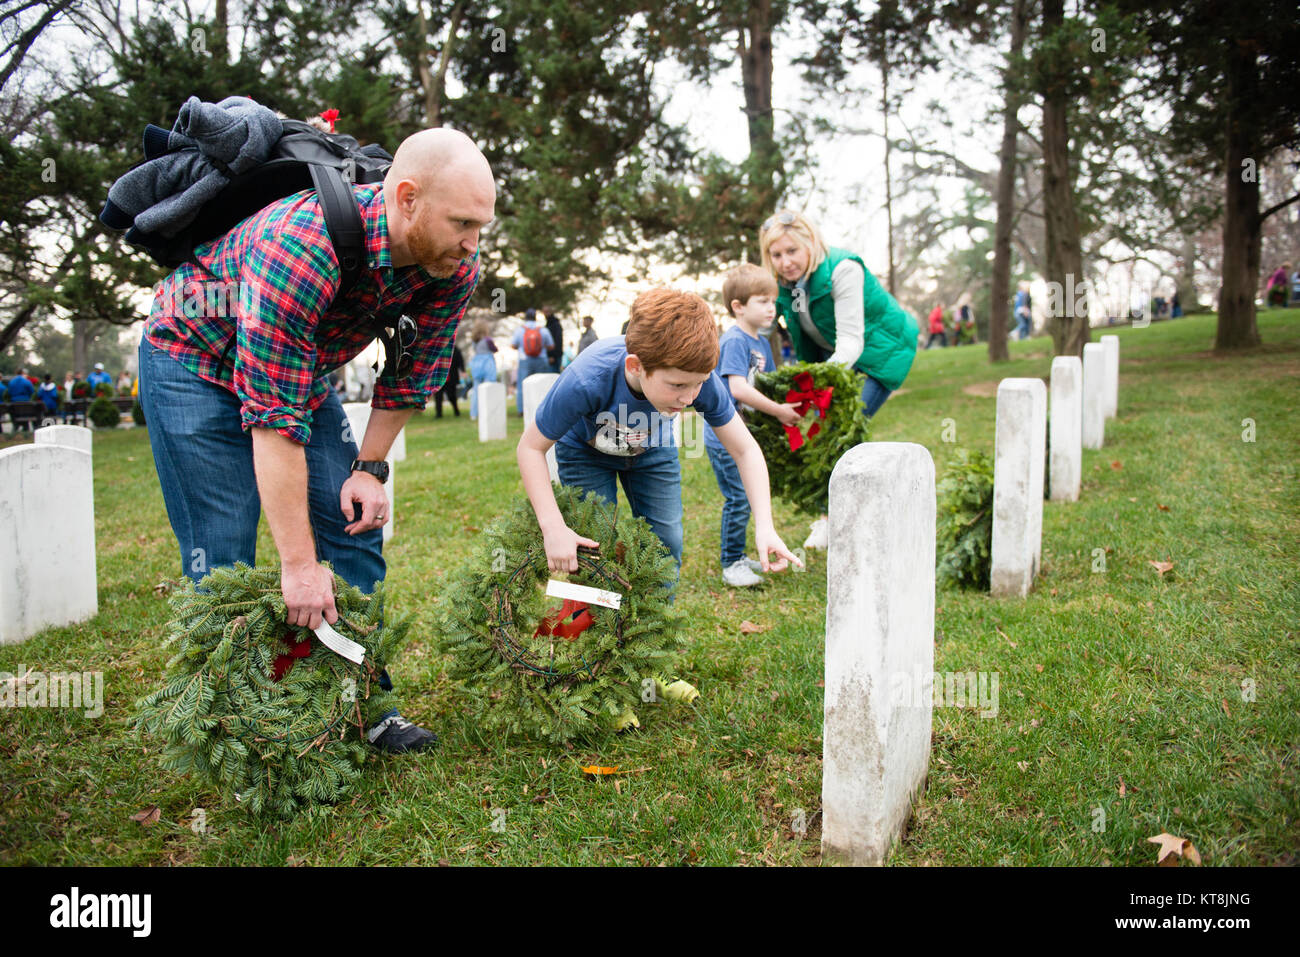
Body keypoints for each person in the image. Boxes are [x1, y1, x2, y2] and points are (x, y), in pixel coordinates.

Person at [137, 127, 494, 753]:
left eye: (481, 226)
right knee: (223, 547)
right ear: (406, 199)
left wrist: (370, 470)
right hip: (191, 359)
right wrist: (298, 567)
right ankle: (242, 729)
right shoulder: (301, 245)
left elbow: (412, 374)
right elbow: (275, 421)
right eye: (462, 222)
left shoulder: (452, 266)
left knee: (350, 520)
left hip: (297, 368)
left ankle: (364, 703)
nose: (473, 244)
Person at [517, 287, 800, 594]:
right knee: (594, 542)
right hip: (586, 453)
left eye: (699, 384)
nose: (690, 397)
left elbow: (745, 450)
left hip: (652, 450)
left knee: (667, 540)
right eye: (677, 385)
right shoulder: (587, 378)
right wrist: (553, 526)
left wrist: (766, 526)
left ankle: (654, 629)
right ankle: (598, 630)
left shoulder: (696, 378)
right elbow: (531, 447)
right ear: (635, 367)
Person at [759, 208, 918, 549]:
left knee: (838, 429)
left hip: (880, 351)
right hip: (837, 357)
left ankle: (835, 519)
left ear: (811, 244)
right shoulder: (783, 284)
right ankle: (841, 511)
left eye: (792, 251)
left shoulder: (843, 270)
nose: (785, 262)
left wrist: (818, 380)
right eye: (776, 255)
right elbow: (765, 327)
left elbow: (851, 341)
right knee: (824, 428)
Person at [705, 265, 804, 588]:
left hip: (745, 435)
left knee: (747, 496)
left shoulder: (760, 342)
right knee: (739, 498)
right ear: (739, 306)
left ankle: (740, 553)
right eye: (762, 301)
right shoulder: (734, 340)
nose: (771, 308)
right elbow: (738, 389)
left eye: (773, 301)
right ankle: (731, 562)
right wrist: (778, 411)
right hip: (725, 437)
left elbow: (765, 386)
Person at [511, 307, 553, 415]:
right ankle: (544, 409)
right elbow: (551, 346)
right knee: (543, 384)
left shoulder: (520, 330)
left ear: (525, 317)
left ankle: (521, 410)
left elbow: (513, 345)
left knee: (522, 385)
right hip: (541, 359)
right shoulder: (543, 330)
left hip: (525, 360)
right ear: (535, 317)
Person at [468, 318, 498, 419]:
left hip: (476, 363)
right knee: (489, 387)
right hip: (487, 363)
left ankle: (474, 413)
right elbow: (494, 349)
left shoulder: (474, 340)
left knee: (476, 389)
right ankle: (488, 411)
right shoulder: (488, 340)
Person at [434, 339, 465, 418]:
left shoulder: (454, 349)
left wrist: (463, 370)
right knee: (438, 397)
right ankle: (439, 414)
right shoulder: (436, 348)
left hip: (451, 377)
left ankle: (456, 410)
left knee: (452, 396)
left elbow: (460, 360)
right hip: (438, 377)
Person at [542, 305, 564, 374]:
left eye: (547, 312)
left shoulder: (555, 324)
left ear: (551, 312)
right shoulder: (549, 324)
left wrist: (552, 356)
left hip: (554, 357)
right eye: (544, 312)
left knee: (553, 377)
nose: (545, 314)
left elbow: (558, 341)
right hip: (552, 356)